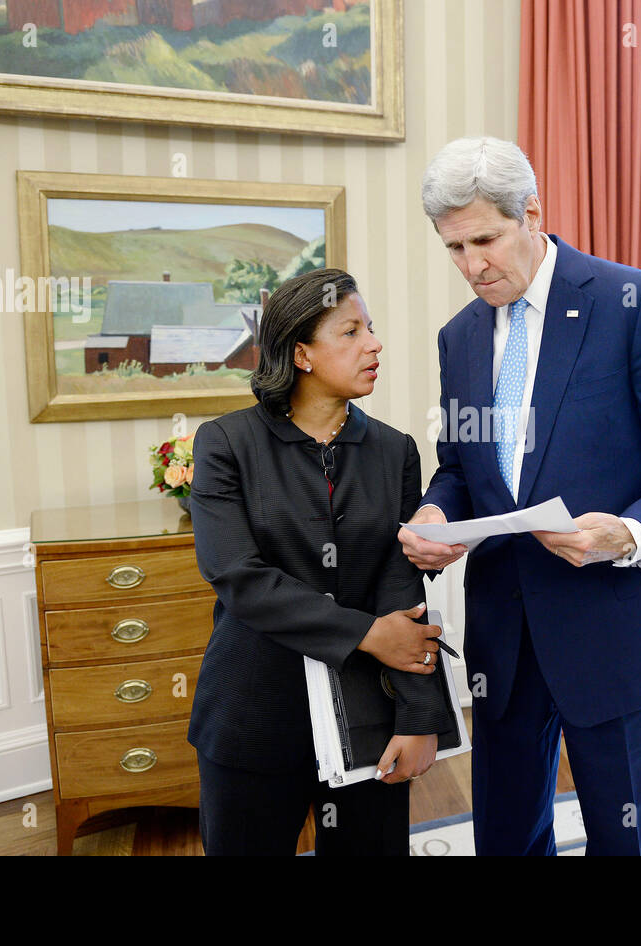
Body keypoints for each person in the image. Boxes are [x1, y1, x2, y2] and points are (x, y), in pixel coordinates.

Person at [397, 137, 641, 855]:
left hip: (617, 630)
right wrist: (435, 513)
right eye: (453, 247)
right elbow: (459, 466)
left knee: (624, 839)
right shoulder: (459, 338)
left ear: (532, 212)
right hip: (503, 642)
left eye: (485, 239)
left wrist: (629, 536)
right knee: (506, 840)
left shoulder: (633, 302)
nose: (472, 265)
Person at [187, 267, 455, 855]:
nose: (374, 344)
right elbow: (240, 579)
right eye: (351, 332)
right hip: (252, 717)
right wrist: (367, 635)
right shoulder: (225, 444)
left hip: (370, 717)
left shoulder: (394, 450)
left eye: (372, 329)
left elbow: (401, 589)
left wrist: (417, 718)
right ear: (301, 354)